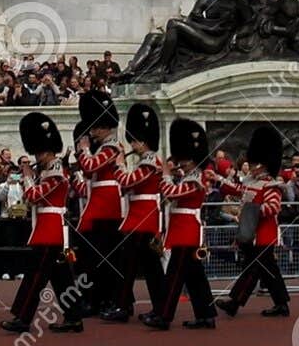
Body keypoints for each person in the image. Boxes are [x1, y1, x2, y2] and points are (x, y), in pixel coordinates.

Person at [1, 111, 82, 334]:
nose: (36, 157)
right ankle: (74, 317)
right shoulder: (48, 170)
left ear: (47, 151)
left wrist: (27, 176)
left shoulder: (56, 171)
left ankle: (23, 317)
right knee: (61, 277)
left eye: (38, 153)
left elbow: (34, 196)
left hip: (50, 229)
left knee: (35, 275)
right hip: (47, 227)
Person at [142, 118, 216, 330]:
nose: (181, 163)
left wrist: (166, 175)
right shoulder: (190, 176)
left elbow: (171, 193)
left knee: (174, 276)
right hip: (183, 230)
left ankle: (164, 316)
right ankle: (206, 315)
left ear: (193, 159)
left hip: (187, 232)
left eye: (185, 160)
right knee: (194, 276)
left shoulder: (196, 179)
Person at [217, 126, 291, 319]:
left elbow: (273, 207)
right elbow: (236, 189)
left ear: (263, 164)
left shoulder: (271, 185)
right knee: (268, 271)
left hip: (264, 235)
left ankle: (234, 303)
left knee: (252, 269)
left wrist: (252, 211)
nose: (251, 166)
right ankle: (281, 304)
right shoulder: (252, 183)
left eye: (254, 163)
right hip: (252, 234)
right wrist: (218, 180)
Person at [101, 101, 165, 323]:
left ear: (143, 141)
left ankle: (124, 306)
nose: (132, 145)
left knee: (130, 264)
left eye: (135, 141)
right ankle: (157, 307)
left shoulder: (150, 162)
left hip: (143, 218)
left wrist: (118, 164)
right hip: (139, 217)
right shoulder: (146, 161)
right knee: (147, 265)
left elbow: (128, 181)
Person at [74, 90, 124, 316]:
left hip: (106, 207)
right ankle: (95, 298)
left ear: (104, 127)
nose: (92, 132)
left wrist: (84, 149)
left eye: (95, 128)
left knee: (101, 256)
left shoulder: (112, 147)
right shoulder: (104, 147)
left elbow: (91, 166)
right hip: (98, 203)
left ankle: (106, 299)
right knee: (92, 256)